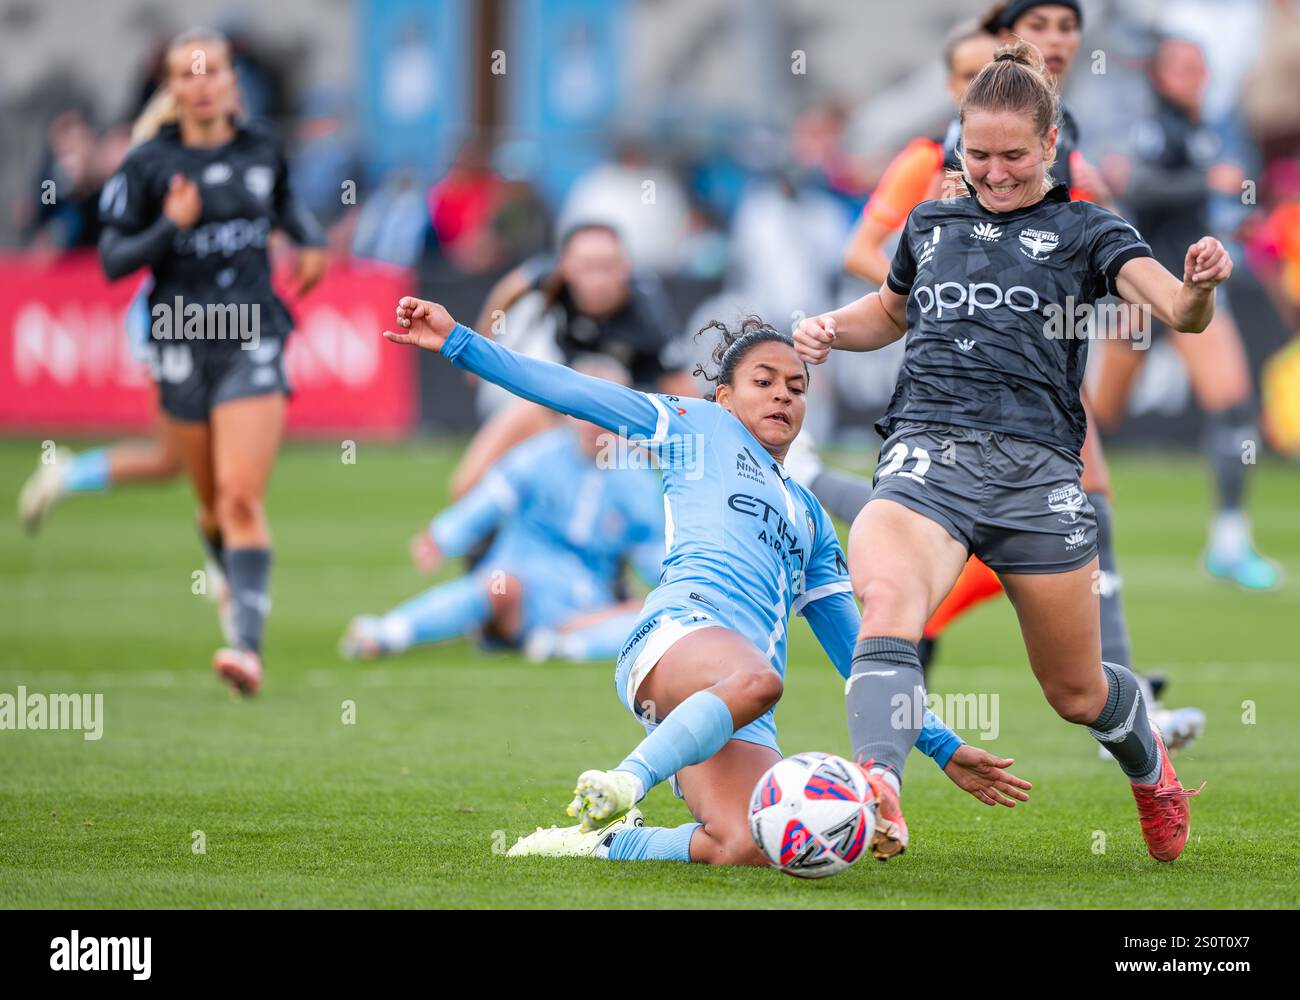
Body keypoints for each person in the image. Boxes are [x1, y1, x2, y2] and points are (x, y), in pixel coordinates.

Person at [383, 303, 1032, 865]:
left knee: (745, 844)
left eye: (797, 386)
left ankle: (602, 842)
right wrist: (457, 341)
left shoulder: (811, 519)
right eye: (764, 381)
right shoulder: (697, 428)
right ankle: (622, 784)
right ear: (724, 396)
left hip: (734, 700)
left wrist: (944, 748)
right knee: (761, 679)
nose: (783, 394)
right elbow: (573, 391)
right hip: (676, 639)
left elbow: (859, 652)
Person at [795, 43, 1220, 863]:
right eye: (977, 154)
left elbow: (1178, 309)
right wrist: (827, 329)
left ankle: (1149, 767)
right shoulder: (932, 222)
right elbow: (888, 314)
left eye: (1012, 156)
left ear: (1051, 142)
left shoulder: (1090, 229)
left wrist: (1198, 285)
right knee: (886, 611)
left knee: (1075, 691)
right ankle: (876, 785)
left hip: (1038, 477)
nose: (992, 172)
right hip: (924, 457)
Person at [96, 27, 327, 695]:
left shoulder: (262, 147)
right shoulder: (146, 165)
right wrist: (171, 224)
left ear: (232, 80)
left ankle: (245, 647)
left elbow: (287, 206)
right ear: (172, 87)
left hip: (253, 334)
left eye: (212, 71)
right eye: (185, 74)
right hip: (179, 339)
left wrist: (309, 242)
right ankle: (231, 573)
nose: (200, 84)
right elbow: (113, 260)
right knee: (208, 506)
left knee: (239, 496)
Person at [1093, 35, 1280, 590]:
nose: (1194, 74)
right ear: (1158, 73)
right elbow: (1139, 187)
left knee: (1233, 407)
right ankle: (1045, 527)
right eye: (1182, 65)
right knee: (1096, 420)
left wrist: (1233, 220)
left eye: (1199, 64)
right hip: (1143, 287)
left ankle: (1228, 540)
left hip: (1192, 290)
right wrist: (1208, 183)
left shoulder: (1205, 127)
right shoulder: (1155, 125)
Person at [340, 360, 666, 664]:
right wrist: (442, 537)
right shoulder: (540, 455)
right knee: (498, 585)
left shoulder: (637, 481)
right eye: (586, 408)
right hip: (520, 585)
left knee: (651, 615)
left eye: (607, 409)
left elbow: (654, 555)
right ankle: (389, 632)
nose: (595, 421)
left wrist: (679, 588)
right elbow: (490, 499)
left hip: (585, 606)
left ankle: (563, 646)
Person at [450, 222, 693, 501]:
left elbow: (681, 389)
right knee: (468, 485)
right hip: (562, 405)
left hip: (626, 421)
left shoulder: (648, 314)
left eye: (607, 267)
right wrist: (483, 336)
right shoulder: (552, 280)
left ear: (624, 268)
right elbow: (511, 287)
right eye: (588, 267)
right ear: (565, 267)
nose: (598, 280)